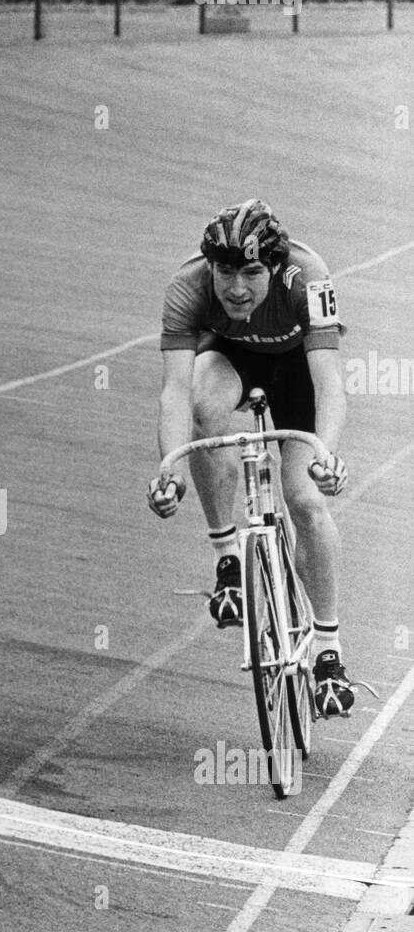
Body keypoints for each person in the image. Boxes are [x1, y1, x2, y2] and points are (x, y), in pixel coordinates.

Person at [148, 199, 354, 717]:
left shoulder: (308, 277)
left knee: (304, 502)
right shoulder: (186, 286)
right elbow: (174, 390)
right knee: (201, 406)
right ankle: (228, 559)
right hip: (233, 361)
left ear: (274, 267)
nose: (236, 287)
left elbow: (329, 383)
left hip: (298, 373)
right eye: (225, 272)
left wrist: (323, 453)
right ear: (210, 266)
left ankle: (329, 652)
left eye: (252, 272)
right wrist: (169, 466)